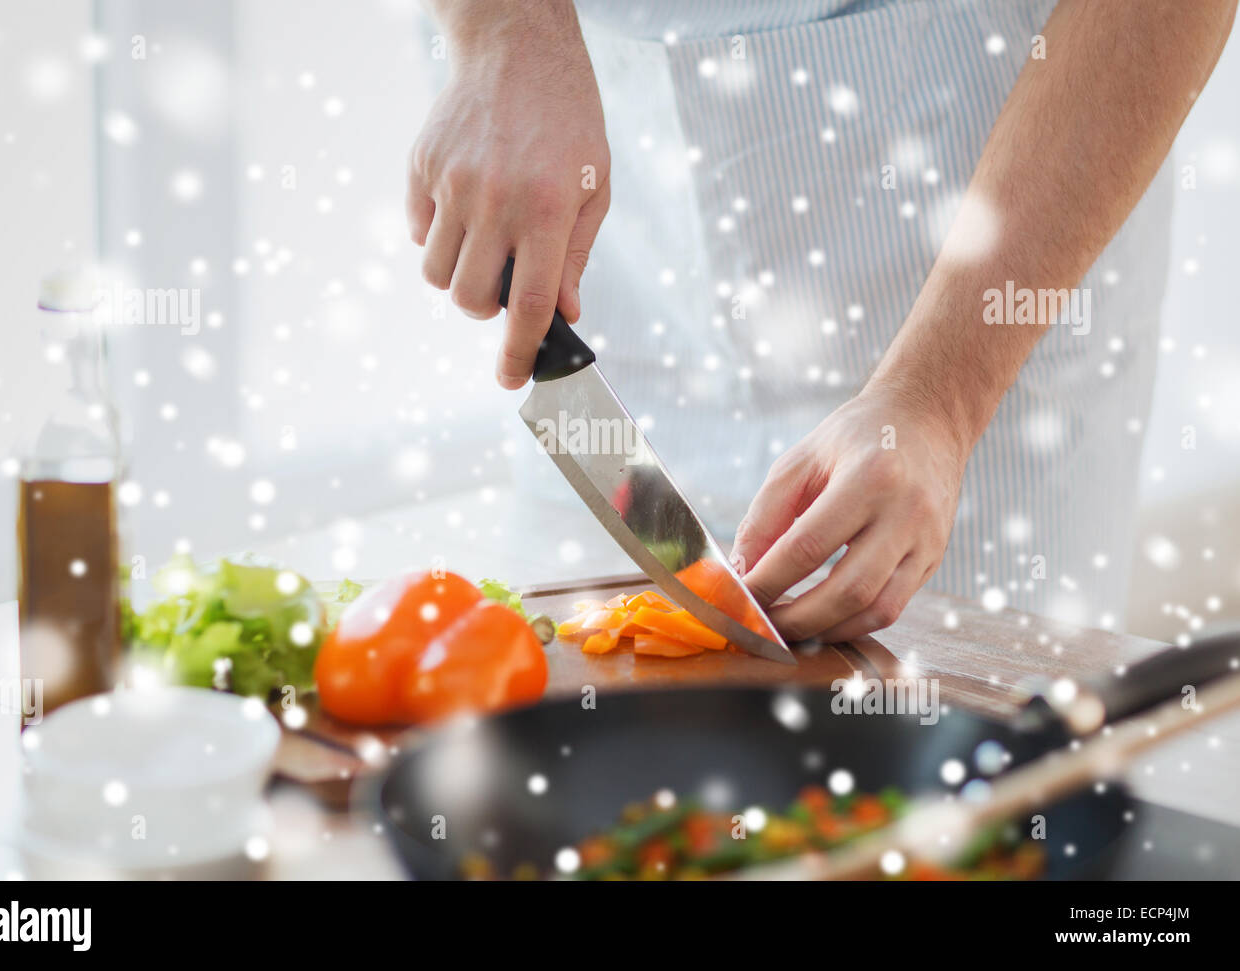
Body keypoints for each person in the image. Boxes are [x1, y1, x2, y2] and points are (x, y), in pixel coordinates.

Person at [406, 0, 1236, 640]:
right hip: (601, 207)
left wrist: (941, 399)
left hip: (993, 220)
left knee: (983, 788)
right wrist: (501, 31)